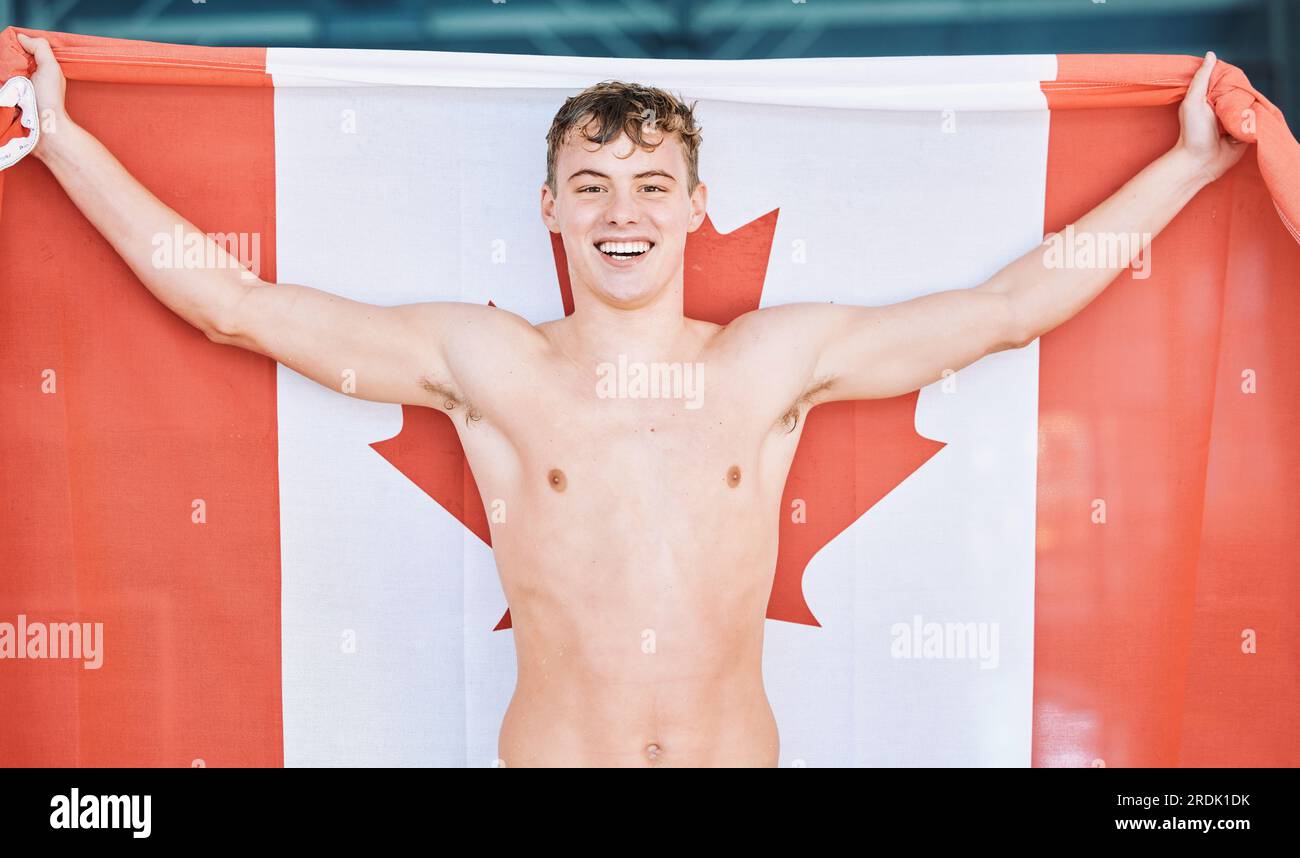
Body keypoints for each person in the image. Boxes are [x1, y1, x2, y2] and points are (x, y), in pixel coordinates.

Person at [16, 33, 1245, 767]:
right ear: (547, 210)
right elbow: (237, 306)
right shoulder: (489, 366)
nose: (623, 213)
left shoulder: (769, 362)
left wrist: (1189, 162)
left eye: (652, 185)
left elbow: (1006, 310)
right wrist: (60, 137)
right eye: (591, 184)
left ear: (696, 208)